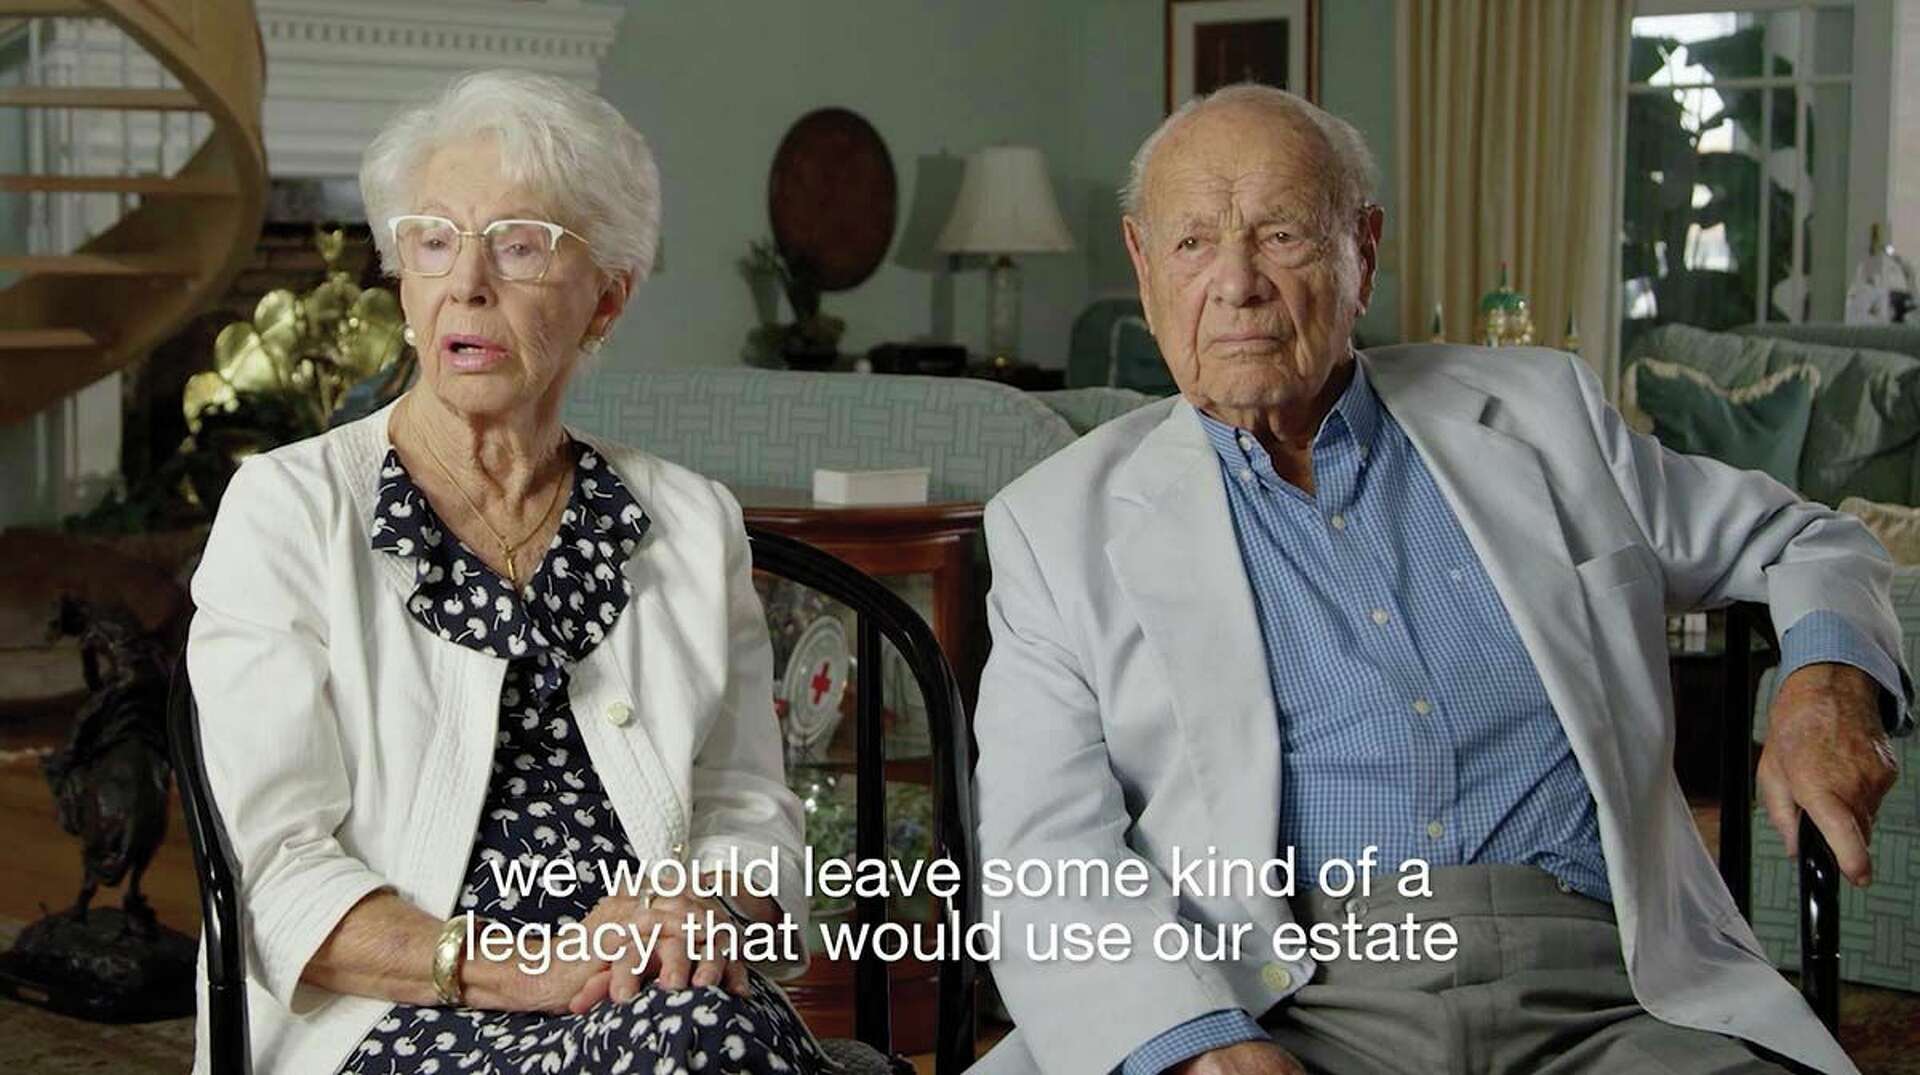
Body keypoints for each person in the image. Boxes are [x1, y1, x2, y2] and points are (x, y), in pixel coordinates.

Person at [971, 83, 1908, 1075]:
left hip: (1611, 990)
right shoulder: (1054, 525)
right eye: (1194, 242)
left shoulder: (1543, 415)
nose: (1237, 283)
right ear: (1143, 262)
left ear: (1362, 250)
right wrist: (1203, 1048)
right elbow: (1042, 848)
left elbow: (1808, 540)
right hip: (1283, 1002)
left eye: (1282, 234)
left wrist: (1828, 686)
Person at [186, 69, 826, 1075]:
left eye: (520, 244)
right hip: (402, 1013)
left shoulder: (692, 522)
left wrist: (702, 907)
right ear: (404, 280)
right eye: (434, 240)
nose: (468, 282)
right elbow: (274, 869)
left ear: (606, 299)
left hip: (659, 992)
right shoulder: (290, 512)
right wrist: (533, 967)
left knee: (698, 1028)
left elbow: (747, 807)